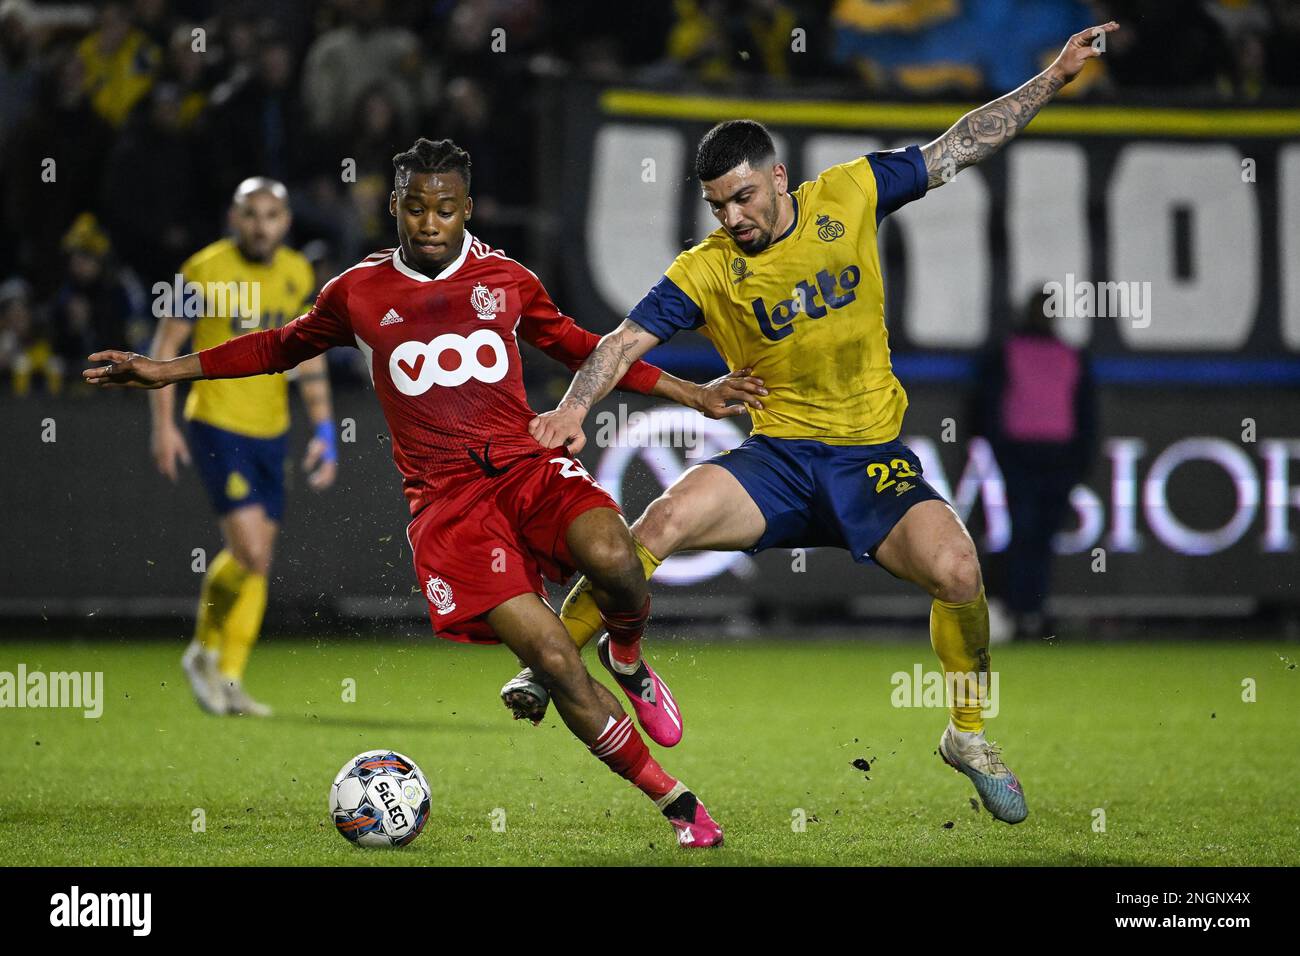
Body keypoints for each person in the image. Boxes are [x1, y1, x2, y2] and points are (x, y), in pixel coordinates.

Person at [518, 21, 1122, 826]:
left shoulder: (853, 191)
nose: (732, 216)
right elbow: (623, 341)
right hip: (775, 462)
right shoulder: (706, 270)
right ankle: (547, 663)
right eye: (717, 205)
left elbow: (960, 146)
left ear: (779, 178)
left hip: (868, 460)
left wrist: (1052, 77)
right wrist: (570, 406)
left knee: (959, 572)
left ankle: (968, 737)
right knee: (656, 522)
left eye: (743, 197)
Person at [85, 138, 757, 847]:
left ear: (466, 208)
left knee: (617, 559)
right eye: (415, 207)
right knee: (555, 661)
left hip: (527, 468)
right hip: (450, 508)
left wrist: (693, 392)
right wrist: (167, 372)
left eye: (444, 208)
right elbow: (277, 346)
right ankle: (681, 807)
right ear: (395, 208)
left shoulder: (506, 278)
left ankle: (628, 658)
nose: (430, 222)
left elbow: (583, 346)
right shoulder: (357, 292)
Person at [148, 177, 338, 717]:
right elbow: (165, 350)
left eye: (272, 215)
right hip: (216, 423)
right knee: (251, 552)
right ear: (235, 218)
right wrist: (163, 426)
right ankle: (204, 651)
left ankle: (226, 674)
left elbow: (307, 356)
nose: (261, 225)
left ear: (286, 223)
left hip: (272, 430)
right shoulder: (202, 269)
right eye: (251, 214)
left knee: (257, 561)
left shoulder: (298, 274)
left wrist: (324, 429)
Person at [975, 290, 1097, 640]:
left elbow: (1085, 415)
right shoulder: (1013, 354)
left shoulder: (1066, 356)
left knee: (1038, 537)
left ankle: (1030, 611)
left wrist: (1078, 460)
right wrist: (1003, 452)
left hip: (1050, 456)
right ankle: (1019, 610)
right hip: (1028, 455)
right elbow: (991, 408)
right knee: (1027, 535)